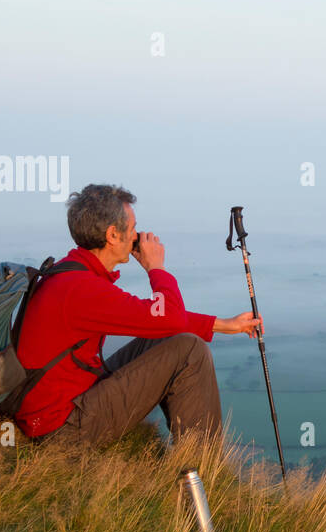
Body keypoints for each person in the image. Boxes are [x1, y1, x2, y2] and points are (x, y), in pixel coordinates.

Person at [14, 183, 261, 448]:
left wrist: (223, 325)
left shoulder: (71, 274)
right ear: (112, 235)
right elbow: (170, 317)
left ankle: (197, 465)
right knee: (190, 351)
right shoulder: (81, 288)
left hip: (59, 408)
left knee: (170, 339)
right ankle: (202, 469)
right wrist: (156, 268)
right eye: (132, 228)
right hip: (61, 429)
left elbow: (154, 318)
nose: (137, 236)